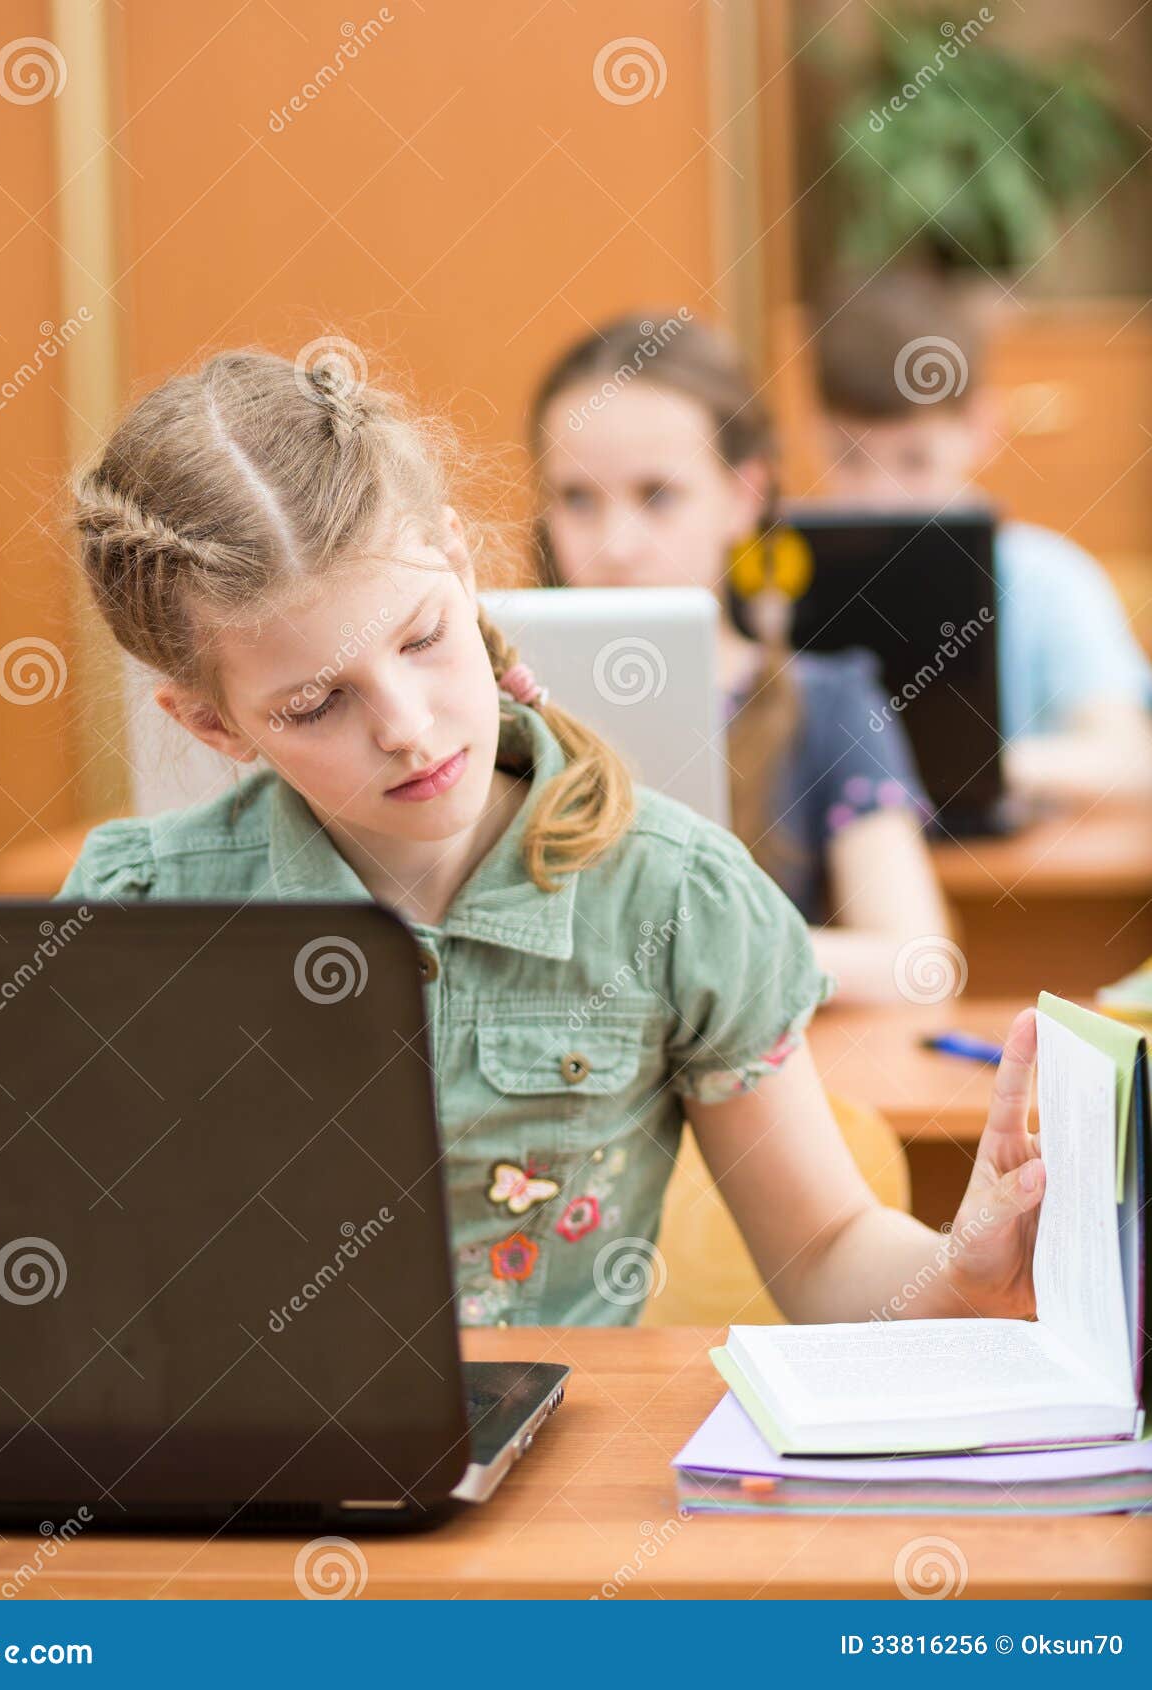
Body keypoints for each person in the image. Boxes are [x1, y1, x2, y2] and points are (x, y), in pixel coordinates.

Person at [53, 342, 1044, 1329]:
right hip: (245, 1475)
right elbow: (69, 1269)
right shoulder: (138, 912)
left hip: (561, 1479)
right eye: (316, 703)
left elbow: (826, 1252)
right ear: (213, 725)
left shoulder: (674, 894)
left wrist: (958, 1272)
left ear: (456, 562)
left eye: (421, 639)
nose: (406, 726)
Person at [529, 311, 949, 1003]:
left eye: (657, 495)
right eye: (576, 499)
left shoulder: (827, 700)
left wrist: (702, 951)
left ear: (743, 496)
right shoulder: (492, 707)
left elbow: (919, 964)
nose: (615, 545)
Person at [813, 269, 1152, 803]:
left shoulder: (1050, 578)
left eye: (915, 459)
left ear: (980, 429)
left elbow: (1129, 754)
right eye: (849, 458)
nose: (881, 496)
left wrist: (968, 762)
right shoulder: (791, 580)